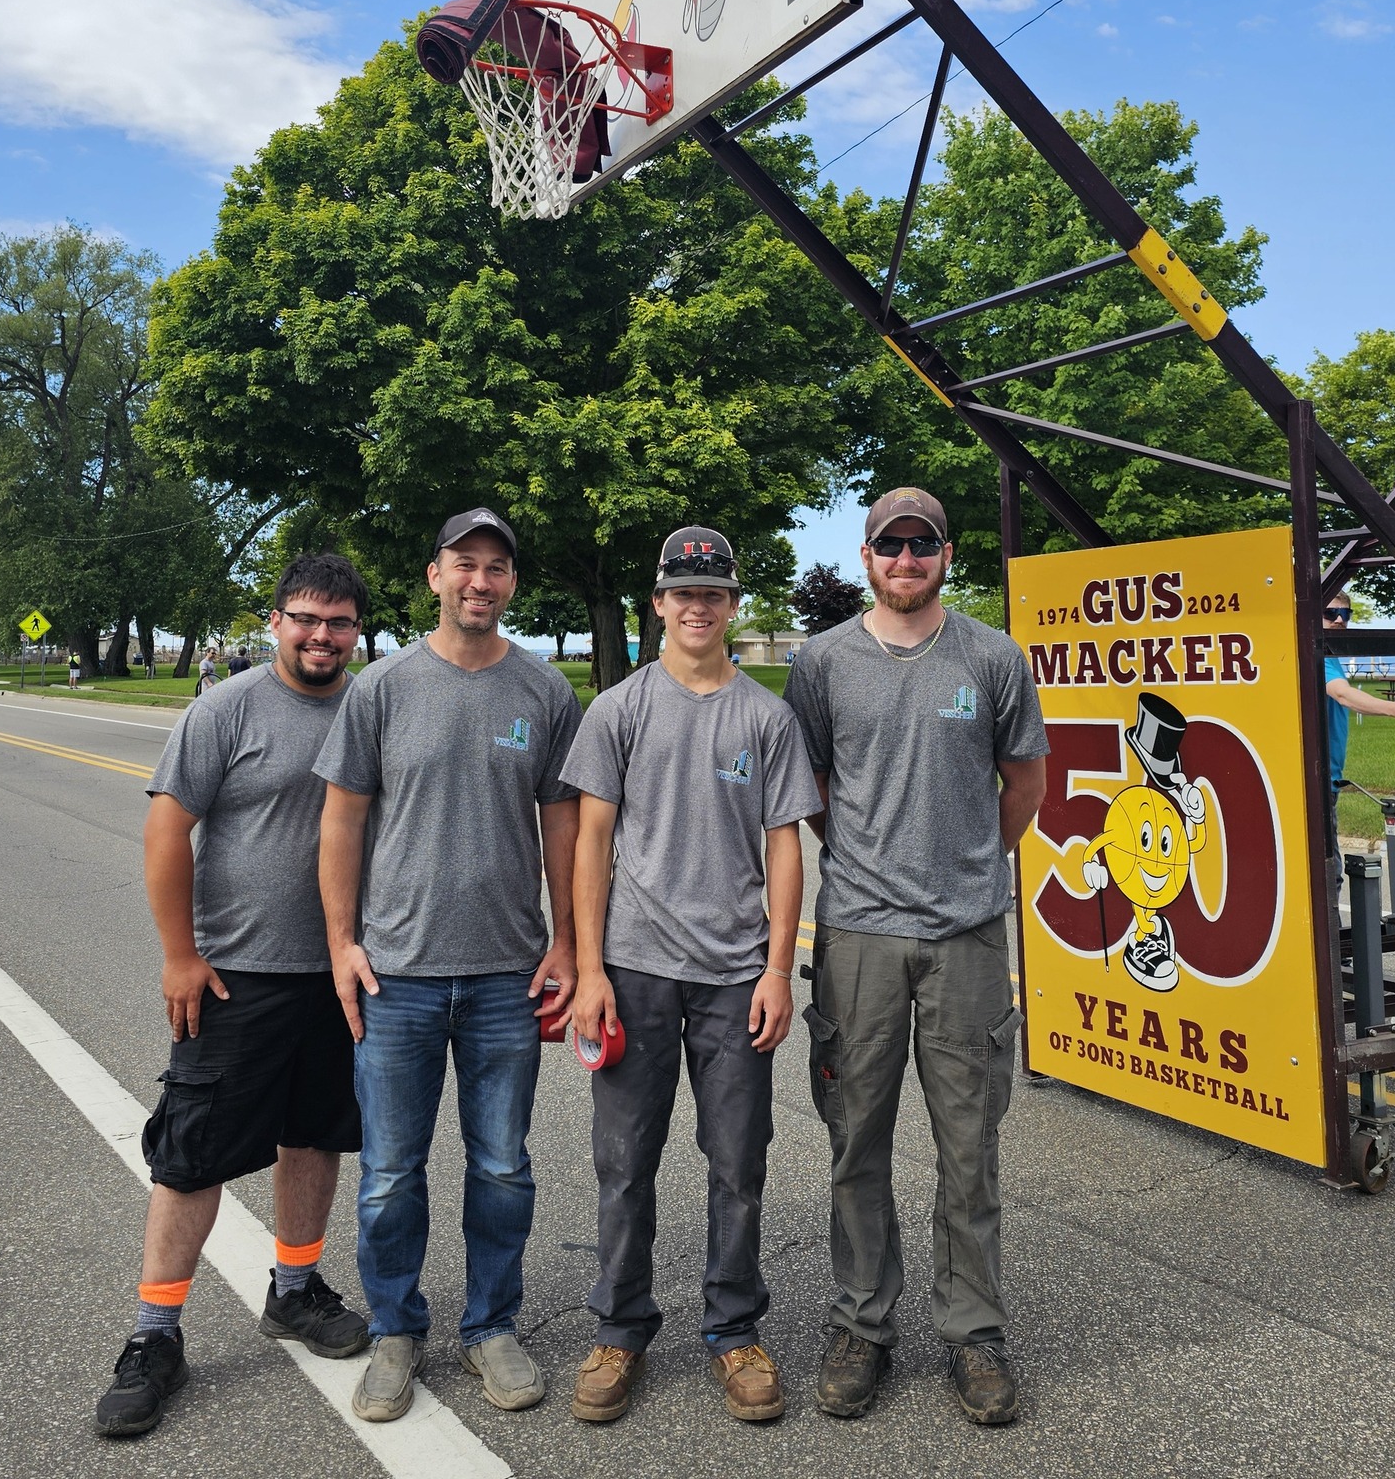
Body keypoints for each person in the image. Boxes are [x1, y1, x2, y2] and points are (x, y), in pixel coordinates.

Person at [782, 487, 1048, 1428]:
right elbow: (810, 787)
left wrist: (971, 862)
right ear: (864, 556)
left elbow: (1024, 785)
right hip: (857, 933)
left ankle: (973, 1335)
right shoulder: (819, 663)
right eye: (889, 545)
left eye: (921, 544)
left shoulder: (992, 657)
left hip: (967, 938)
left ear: (944, 554)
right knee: (857, 1139)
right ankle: (862, 1325)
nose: (905, 558)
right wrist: (868, 861)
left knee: (968, 1147)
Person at [95, 553, 372, 1440]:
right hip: (235, 974)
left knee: (316, 1135)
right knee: (194, 1154)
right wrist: (179, 953)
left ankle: (294, 1288)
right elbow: (167, 828)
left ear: (356, 630)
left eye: (337, 623)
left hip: (338, 974)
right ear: (276, 621)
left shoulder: (371, 705)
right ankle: (154, 1334)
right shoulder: (227, 707)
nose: (320, 637)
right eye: (305, 619)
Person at [316, 509, 581, 1423]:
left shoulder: (544, 693)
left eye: (497, 567)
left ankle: (490, 1326)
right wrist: (342, 944)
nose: (480, 580)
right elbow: (341, 819)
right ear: (433, 576)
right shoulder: (382, 687)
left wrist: (570, 941)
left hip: (508, 975)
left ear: (512, 583)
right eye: (464, 564)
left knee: (502, 1166)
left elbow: (563, 826)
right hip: (398, 977)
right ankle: (396, 1328)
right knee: (391, 1171)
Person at [565, 526, 821, 1428]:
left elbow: (783, 844)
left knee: (738, 1162)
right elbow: (590, 843)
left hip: (731, 975)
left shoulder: (764, 716)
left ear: (731, 605)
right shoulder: (619, 710)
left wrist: (777, 966)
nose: (698, 607)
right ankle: (619, 1329)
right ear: (659, 604)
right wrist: (589, 969)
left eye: (713, 594)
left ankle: (734, 1329)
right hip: (632, 972)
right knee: (625, 1163)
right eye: (682, 592)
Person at [1324, 590, 1395, 828]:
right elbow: (1342, 694)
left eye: (1344, 613)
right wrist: (1394, 709)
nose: (1339, 620)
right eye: (1330, 613)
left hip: (1326, 778)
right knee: (1327, 862)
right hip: (1318, 782)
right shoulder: (1319, 655)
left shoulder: (1328, 653)